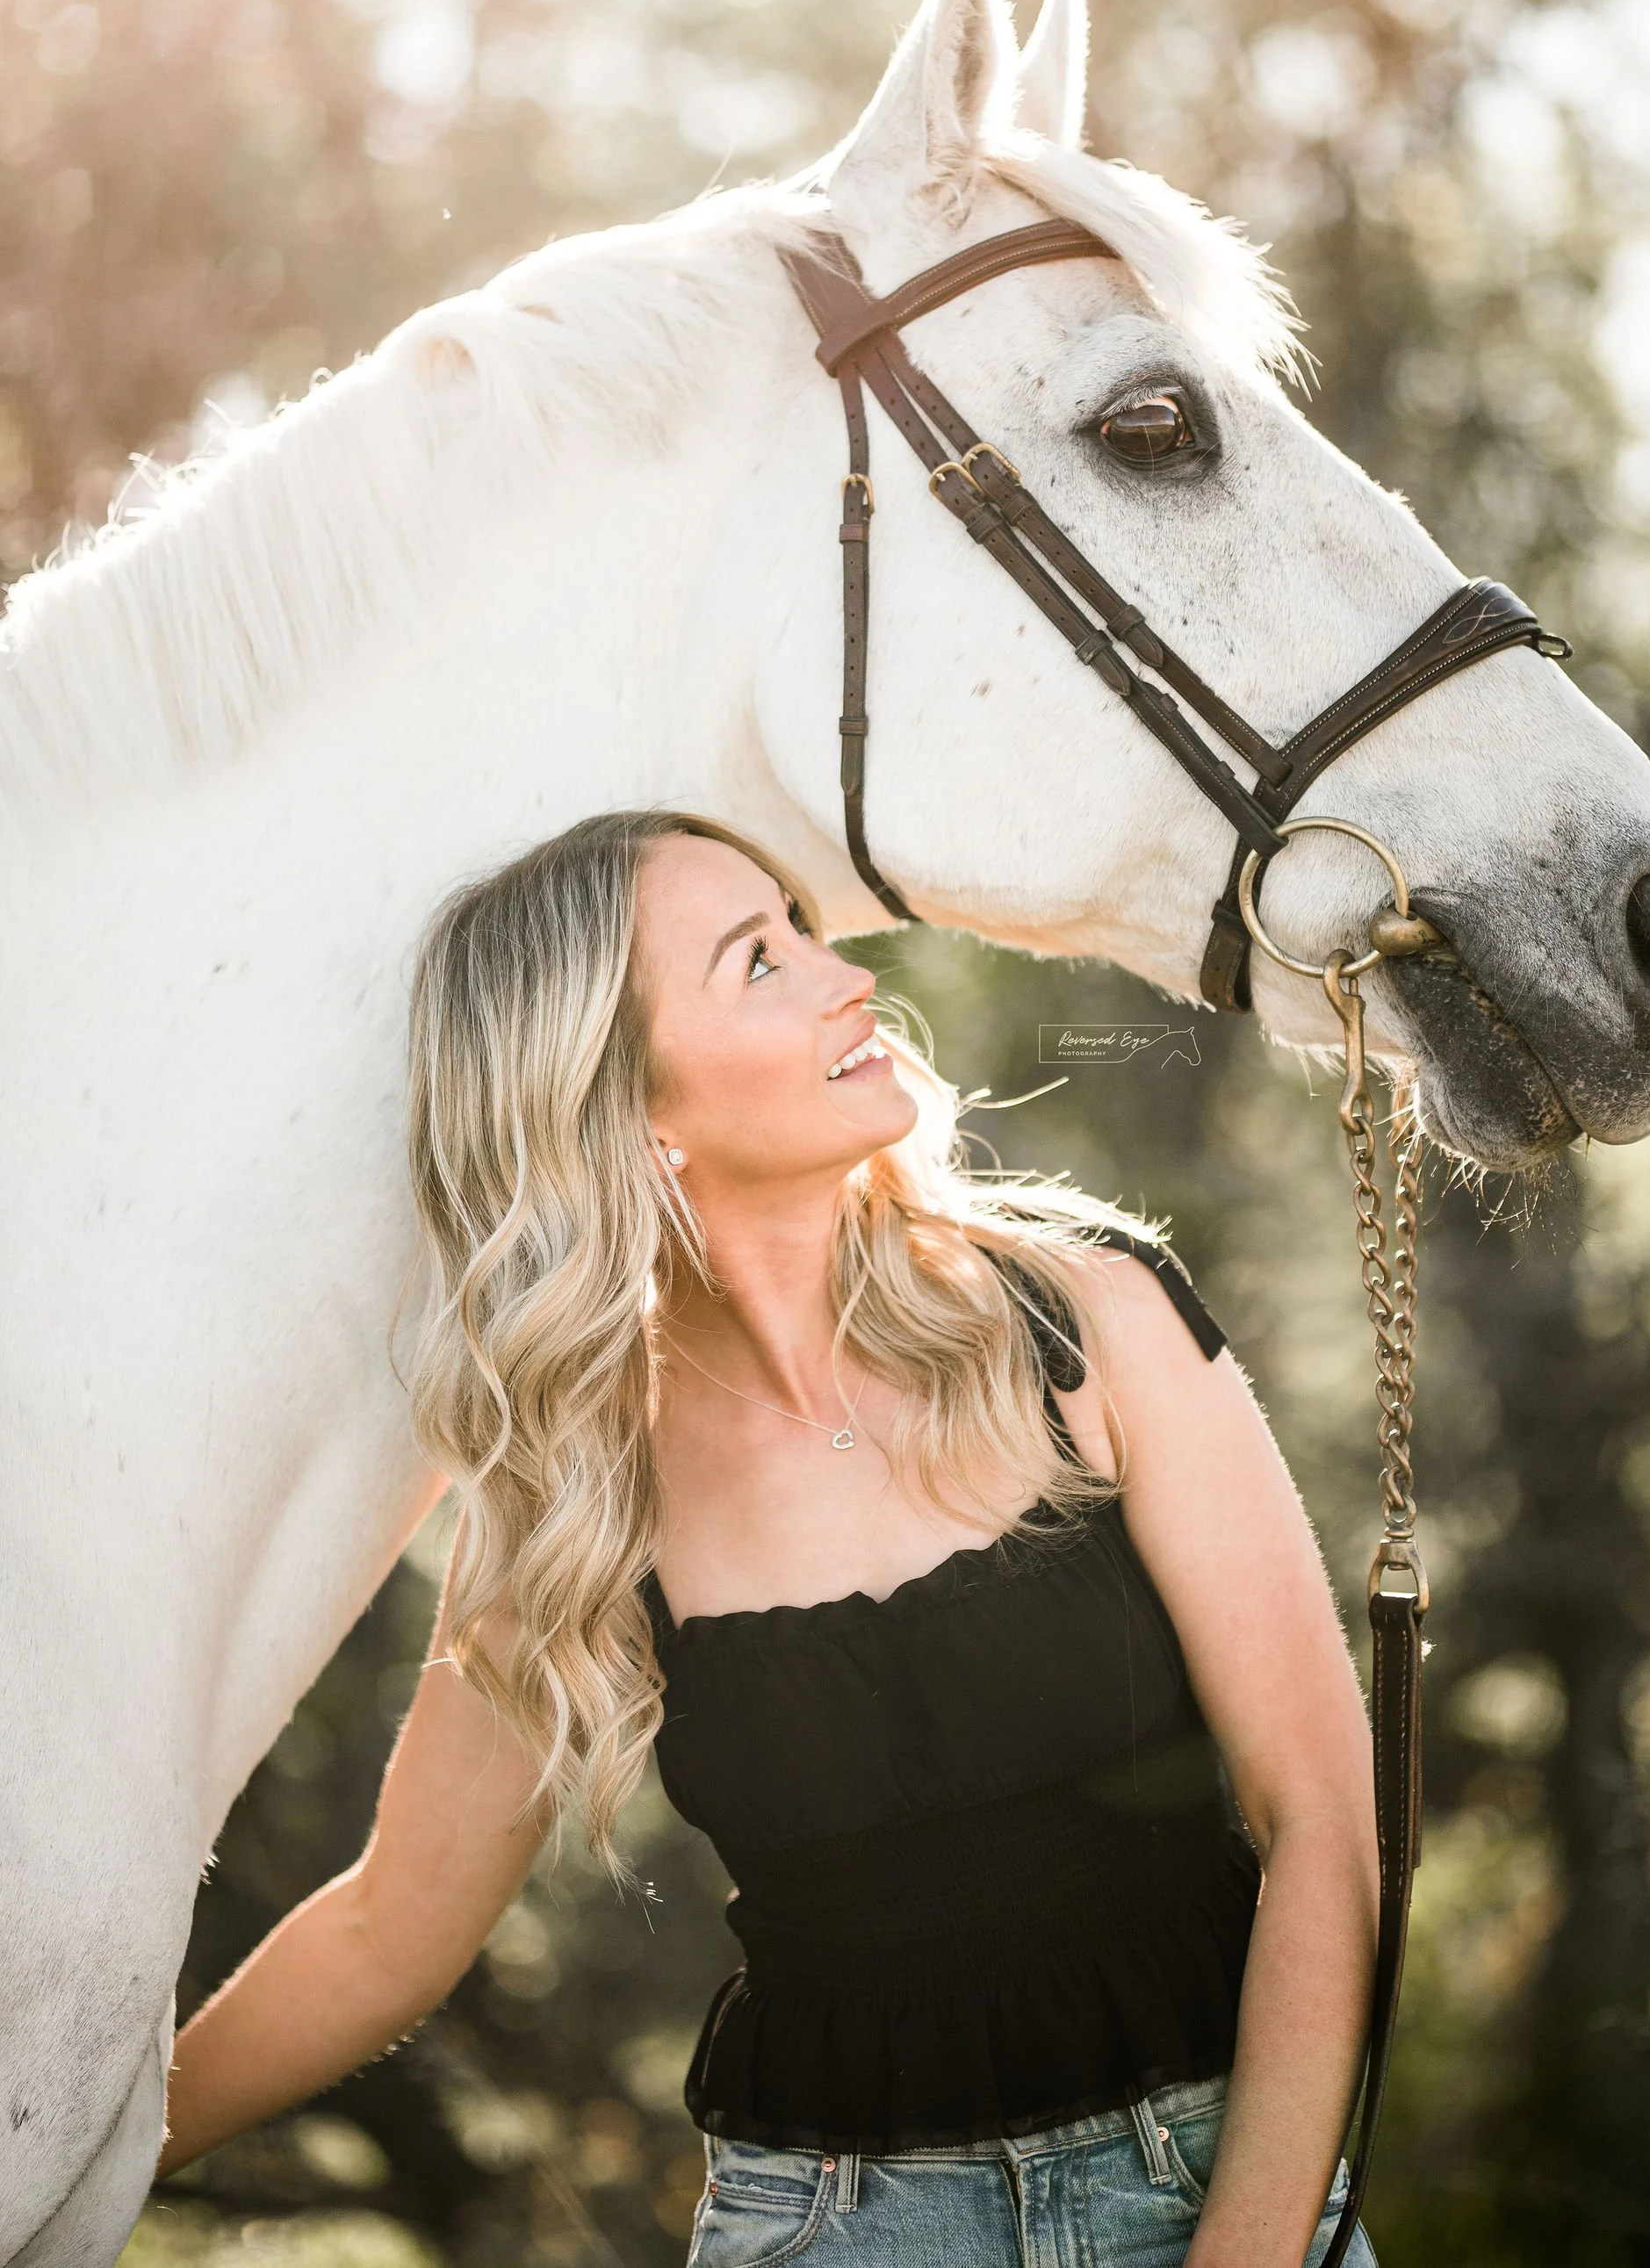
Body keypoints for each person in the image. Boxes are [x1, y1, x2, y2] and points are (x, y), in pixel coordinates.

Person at [159, 810, 1379, 2268]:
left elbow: (1324, 1818)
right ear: (632, 1111)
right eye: (758, 962)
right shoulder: (580, 1503)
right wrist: (77, 2171)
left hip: (1221, 2189)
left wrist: (1248, 2249)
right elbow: (382, 1936)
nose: (848, 977)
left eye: (802, 928)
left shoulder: (1089, 1322)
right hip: (835, 2228)